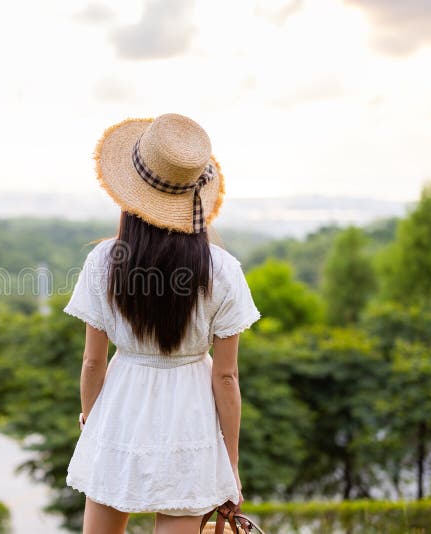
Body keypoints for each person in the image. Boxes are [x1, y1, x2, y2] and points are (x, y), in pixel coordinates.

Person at [63, 113, 261, 534]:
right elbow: (226, 377)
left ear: (129, 195)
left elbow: (93, 362)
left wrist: (91, 423)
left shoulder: (104, 262)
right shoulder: (223, 270)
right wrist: (231, 465)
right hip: (192, 419)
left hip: (120, 409)